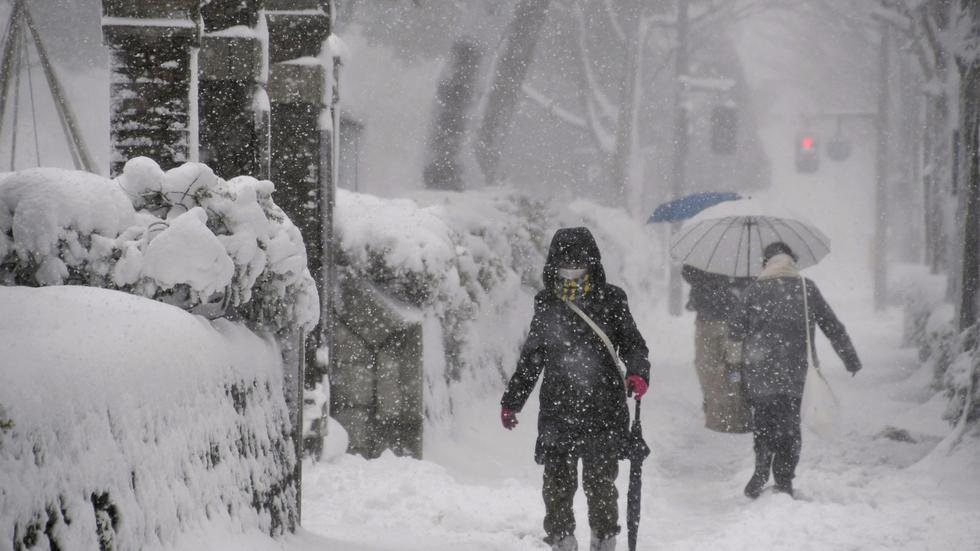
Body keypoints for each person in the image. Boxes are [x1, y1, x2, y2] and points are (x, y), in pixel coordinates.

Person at [500, 227, 651, 551]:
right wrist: (512, 401)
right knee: (557, 484)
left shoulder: (612, 299)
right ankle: (562, 542)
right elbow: (533, 357)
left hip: (603, 410)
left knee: (600, 485)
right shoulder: (546, 302)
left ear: (591, 260)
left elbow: (633, 346)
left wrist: (638, 373)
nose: (572, 265)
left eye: (578, 259)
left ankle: (603, 541)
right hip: (559, 410)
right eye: (565, 259)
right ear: (554, 262)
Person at [728, 242, 862, 498]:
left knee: (764, 423)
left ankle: (761, 467)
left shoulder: (754, 290)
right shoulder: (805, 288)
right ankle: (784, 479)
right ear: (792, 261)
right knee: (789, 426)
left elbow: (734, 330)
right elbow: (831, 326)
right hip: (795, 372)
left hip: (759, 372)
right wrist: (850, 358)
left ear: (766, 263)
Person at [681, 264, 753, 432]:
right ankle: (713, 402)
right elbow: (688, 272)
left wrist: (732, 282)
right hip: (706, 318)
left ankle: (737, 411)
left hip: (735, 319)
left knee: (735, 366)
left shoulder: (744, 251)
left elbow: (753, 279)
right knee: (705, 365)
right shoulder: (705, 251)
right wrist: (715, 280)